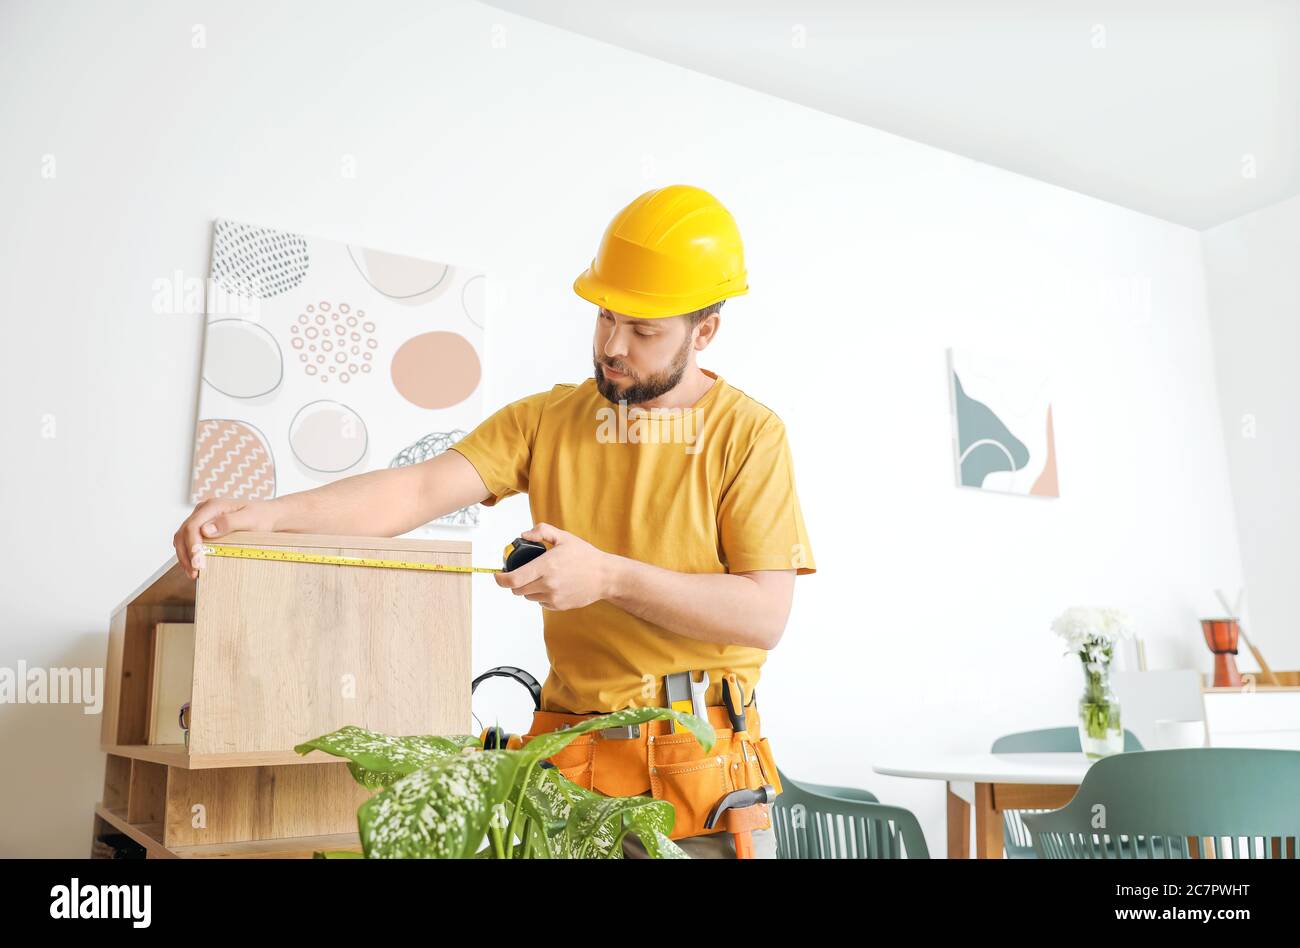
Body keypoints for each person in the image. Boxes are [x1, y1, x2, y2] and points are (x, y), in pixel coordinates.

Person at [173, 184, 816, 858]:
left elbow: (763, 614)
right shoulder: (547, 419)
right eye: (604, 317)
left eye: (644, 329)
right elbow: (417, 489)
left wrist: (606, 577)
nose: (612, 344)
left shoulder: (749, 436)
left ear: (704, 330)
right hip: (568, 786)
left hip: (702, 798)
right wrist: (268, 517)